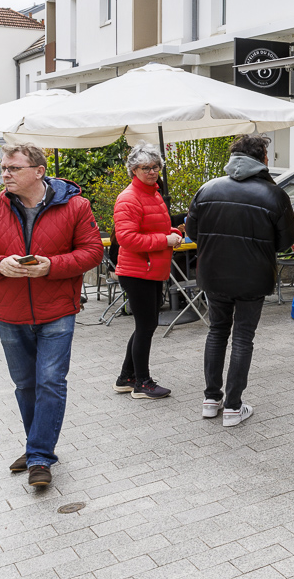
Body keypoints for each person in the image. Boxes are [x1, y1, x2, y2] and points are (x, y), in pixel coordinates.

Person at [0, 143, 103, 488]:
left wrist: (52, 266)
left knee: (50, 381)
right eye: (3, 168)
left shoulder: (76, 206)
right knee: (25, 384)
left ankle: (38, 455)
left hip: (58, 309)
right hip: (10, 312)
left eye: (14, 168)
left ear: (39, 171)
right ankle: (38, 445)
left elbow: (92, 252)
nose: (5, 174)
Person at [185, 134, 294, 427]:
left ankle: (211, 400)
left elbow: (192, 232)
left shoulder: (207, 188)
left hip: (213, 273)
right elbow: (287, 239)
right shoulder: (274, 194)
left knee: (217, 332)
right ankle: (233, 407)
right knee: (243, 337)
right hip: (252, 276)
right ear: (262, 158)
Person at [112, 142, 181, 400]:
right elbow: (127, 238)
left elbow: (153, 227)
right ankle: (142, 382)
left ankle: (126, 378)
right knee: (146, 325)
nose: (152, 172)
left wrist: (171, 233)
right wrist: (165, 240)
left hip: (151, 269)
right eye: (146, 168)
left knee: (147, 324)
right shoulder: (129, 198)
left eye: (156, 167)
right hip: (137, 270)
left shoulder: (153, 193)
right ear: (133, 170)